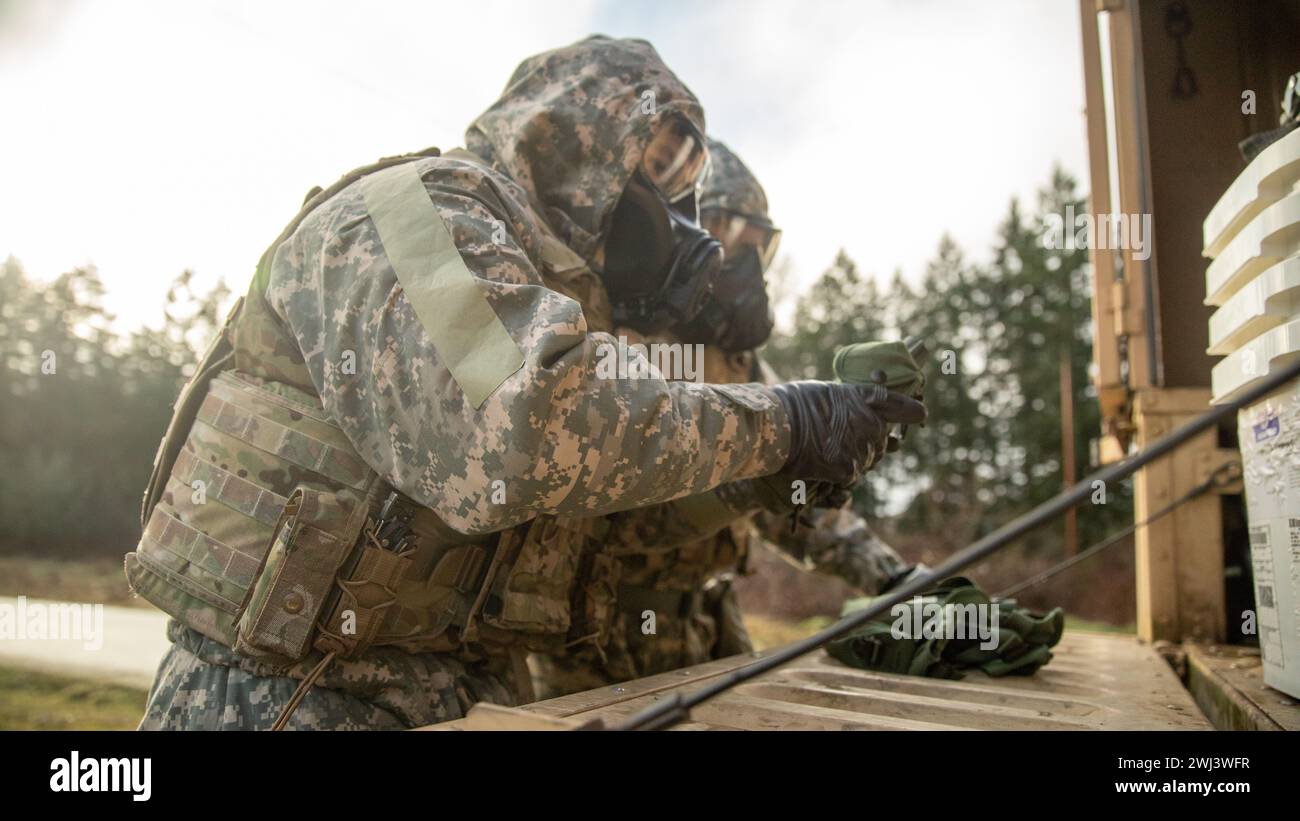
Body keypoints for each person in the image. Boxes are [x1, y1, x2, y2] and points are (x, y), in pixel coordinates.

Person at [128, 36, 924, 730]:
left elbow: (609, 515)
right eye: (655, 162)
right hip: (297, 695)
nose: (669, 207)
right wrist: (782, 426)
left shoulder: (559, 296)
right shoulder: (419, 212)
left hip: (475, 692)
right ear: (572, 135)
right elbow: (517, 428)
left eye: (686, 182)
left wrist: (771, 474)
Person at [531, 139, 927, 698]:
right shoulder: (615, 343)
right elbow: (607, 520)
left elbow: (801, 502)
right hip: (600, 648)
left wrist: (895, 580)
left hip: (711, 626)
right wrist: (752, 482)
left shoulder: (741, 362)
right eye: (728, 233)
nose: (744, 261)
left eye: (758, 245)